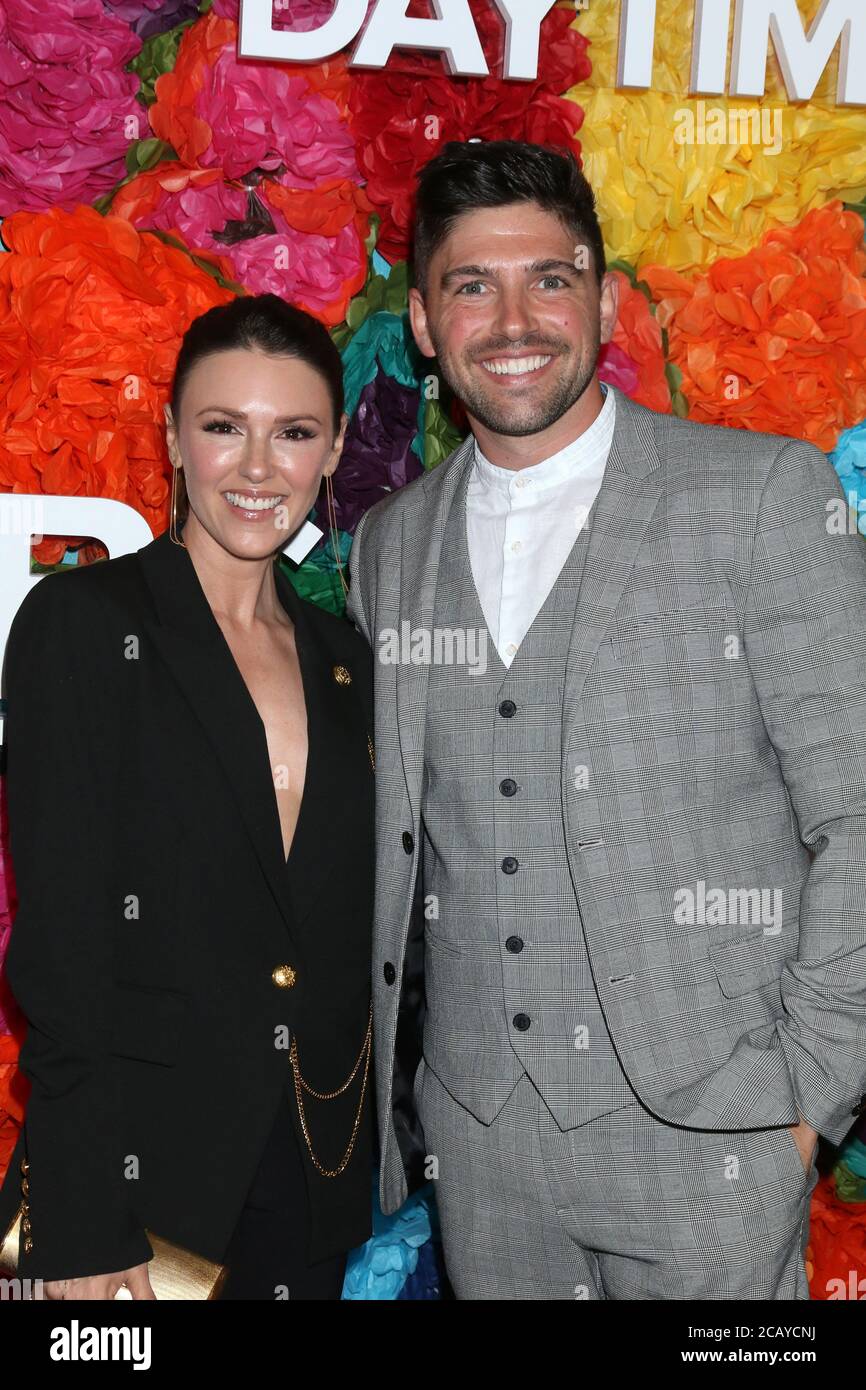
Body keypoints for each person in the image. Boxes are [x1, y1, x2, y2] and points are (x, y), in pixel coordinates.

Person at [345, 139, 866, 1300]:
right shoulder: (389, 546)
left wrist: (802, 1101)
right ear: (425, 326)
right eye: (470, 285)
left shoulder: (760, 498)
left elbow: (859, 814)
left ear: (606, 299)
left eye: (550, 277)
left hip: (715, 1138)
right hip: (481, 1144)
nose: (513, 317)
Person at [0, 293, 375, 1300]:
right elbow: (62, 944)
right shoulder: (83, 624)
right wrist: (82, 1216)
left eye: (292, 433)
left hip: (308, 1170)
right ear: (171, 436)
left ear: (334, 449)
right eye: (223, 428)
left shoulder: (349, 662)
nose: (258, 470)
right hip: (137, 1180)